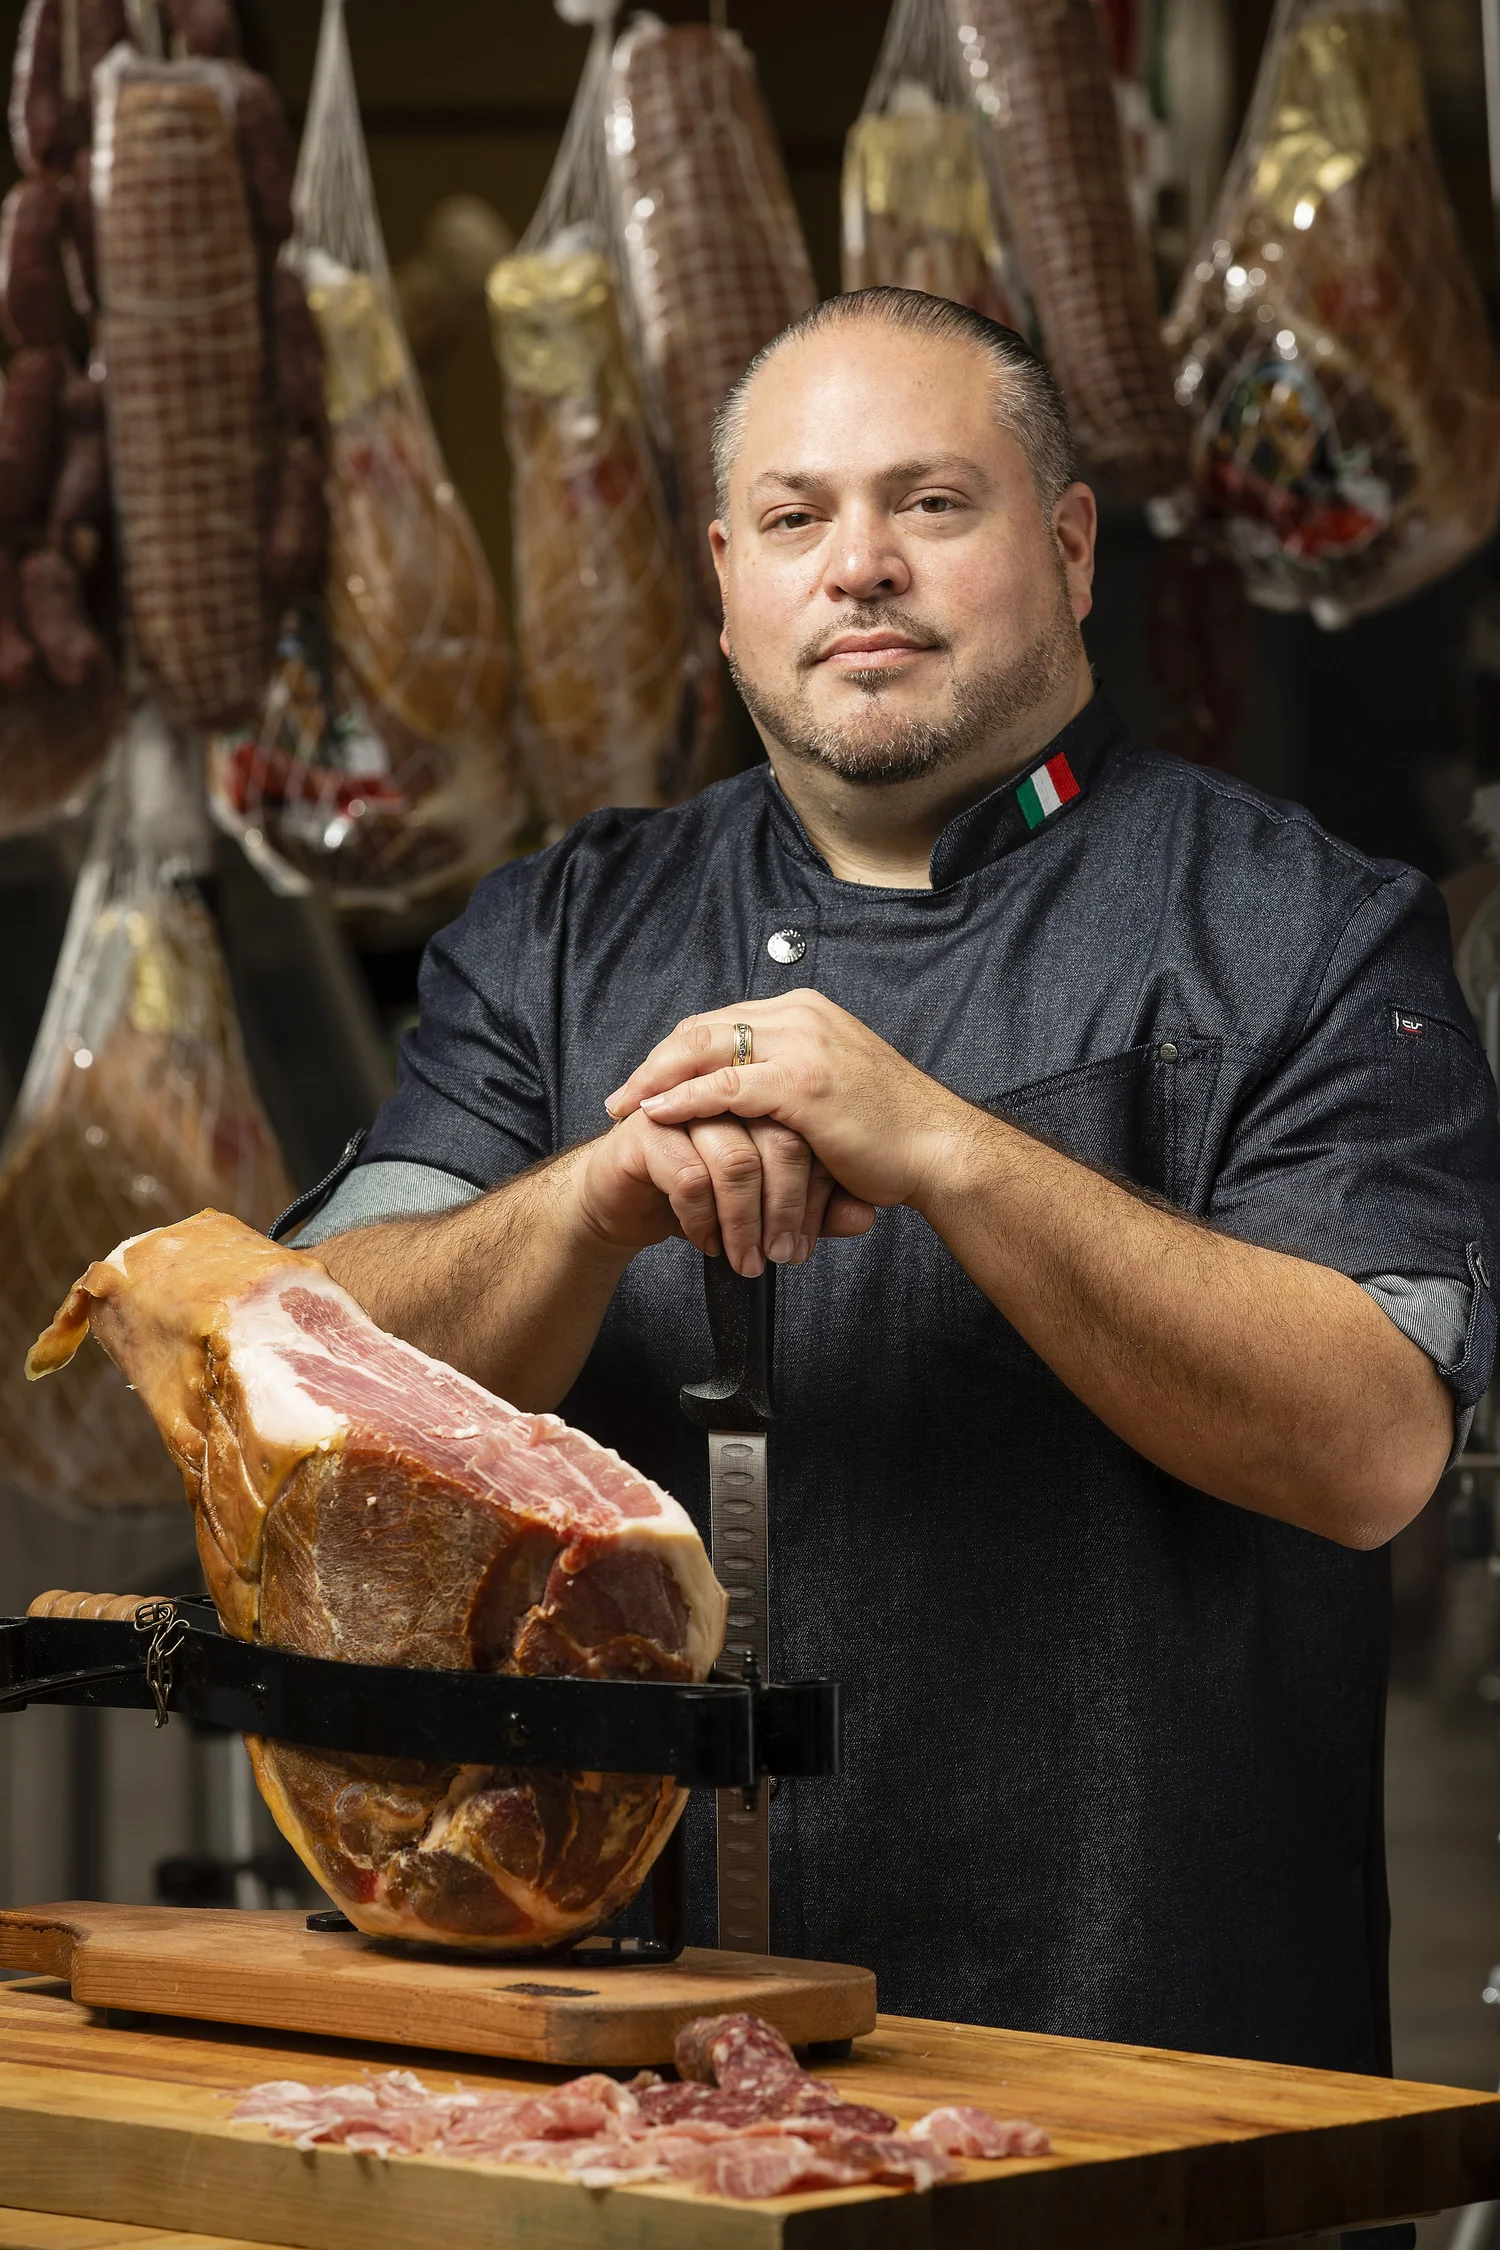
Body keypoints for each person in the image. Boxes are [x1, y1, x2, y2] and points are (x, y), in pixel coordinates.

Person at [293, 288, 1500, 2080]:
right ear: (724, 581)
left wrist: (943, 1143)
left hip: (1144, 2070)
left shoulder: (1302, 931)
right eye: (797, 517)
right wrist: (594, 1194)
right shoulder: (558, 939)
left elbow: (1371, 1448)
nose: (860, 566)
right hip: (614, 2074)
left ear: (1072, 546)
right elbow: (314, 1371)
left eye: (933, 503)